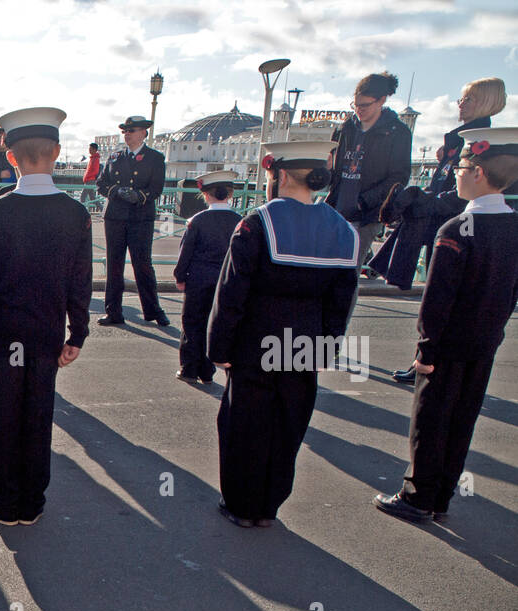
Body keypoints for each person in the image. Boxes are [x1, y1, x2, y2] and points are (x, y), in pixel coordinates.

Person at [207, 140, 359, 528]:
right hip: (305, 342)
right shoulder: (342, 230)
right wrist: (325, 347)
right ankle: (269, 506)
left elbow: (232, 293)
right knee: (288, 425)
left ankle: (242, 504)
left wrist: (219, 346)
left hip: (257, 340)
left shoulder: (257, 223)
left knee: (245, 424)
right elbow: (341, 302)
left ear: (281, 174)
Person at [374, 127, 518, 524]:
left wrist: (426, 349)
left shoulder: (456, 229)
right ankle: (441, 497)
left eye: (463, 165)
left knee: (431, 419)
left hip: (449, 344)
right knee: (462, 419)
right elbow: (512, 292)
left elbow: (437, 301)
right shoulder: (513, 225)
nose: (456, 171)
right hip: (485, 343)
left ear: (479, 173)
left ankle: (417, 496)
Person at [0, 107, 91, 526]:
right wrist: (78, 334)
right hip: (47, 333)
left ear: (11, 157)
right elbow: (80, 281)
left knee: (1, 414)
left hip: (3, 335)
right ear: (56, 152)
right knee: (38, 414)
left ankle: (4, 499)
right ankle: (32, 500)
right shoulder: (76, 215)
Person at [376, 77, 507, 382]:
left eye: (468, 100)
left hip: (460, 227)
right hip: (446, 222)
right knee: (441, 298)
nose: (460, 104)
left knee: (444, 298)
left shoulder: (479, 141)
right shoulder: (460, 139)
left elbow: (465, 191)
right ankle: (427, 358)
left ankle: (431, 359)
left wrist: (423, 201)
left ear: (485, 103)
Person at [326, 71, 411, 269]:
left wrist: (364, 201)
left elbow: (399, 176)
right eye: (355, 105)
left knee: (348, 273)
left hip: (367, 215)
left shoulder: (397, 133)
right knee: (326, 269)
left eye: (364, 105)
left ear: (381, 100)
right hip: (337, 207)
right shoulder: (345, 128)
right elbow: (332, 168)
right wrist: (326, 172)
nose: (358, 110)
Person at [96, 115, 168, 327]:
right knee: (114, 265)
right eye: (125, 131)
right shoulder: (116, 157)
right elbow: (101, 183)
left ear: (143, 133)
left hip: (140, 217)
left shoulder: (154, 158)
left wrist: (139, 196)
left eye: (131, 130)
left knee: (143, 264)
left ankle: (153, 310)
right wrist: (116, 191)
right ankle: (113, 311)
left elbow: (156, 188)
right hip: (116, 216)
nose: (127, 134)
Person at [173, 169, 239, 383]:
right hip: (226, 280)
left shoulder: (197, 221)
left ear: (206, 195)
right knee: (214, 324)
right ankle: (207, 370)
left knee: (193, 322)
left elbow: (186, 253)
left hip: (199, 278)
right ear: (229, 195)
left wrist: (180, 276)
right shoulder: (241, 221)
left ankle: (189, 368)